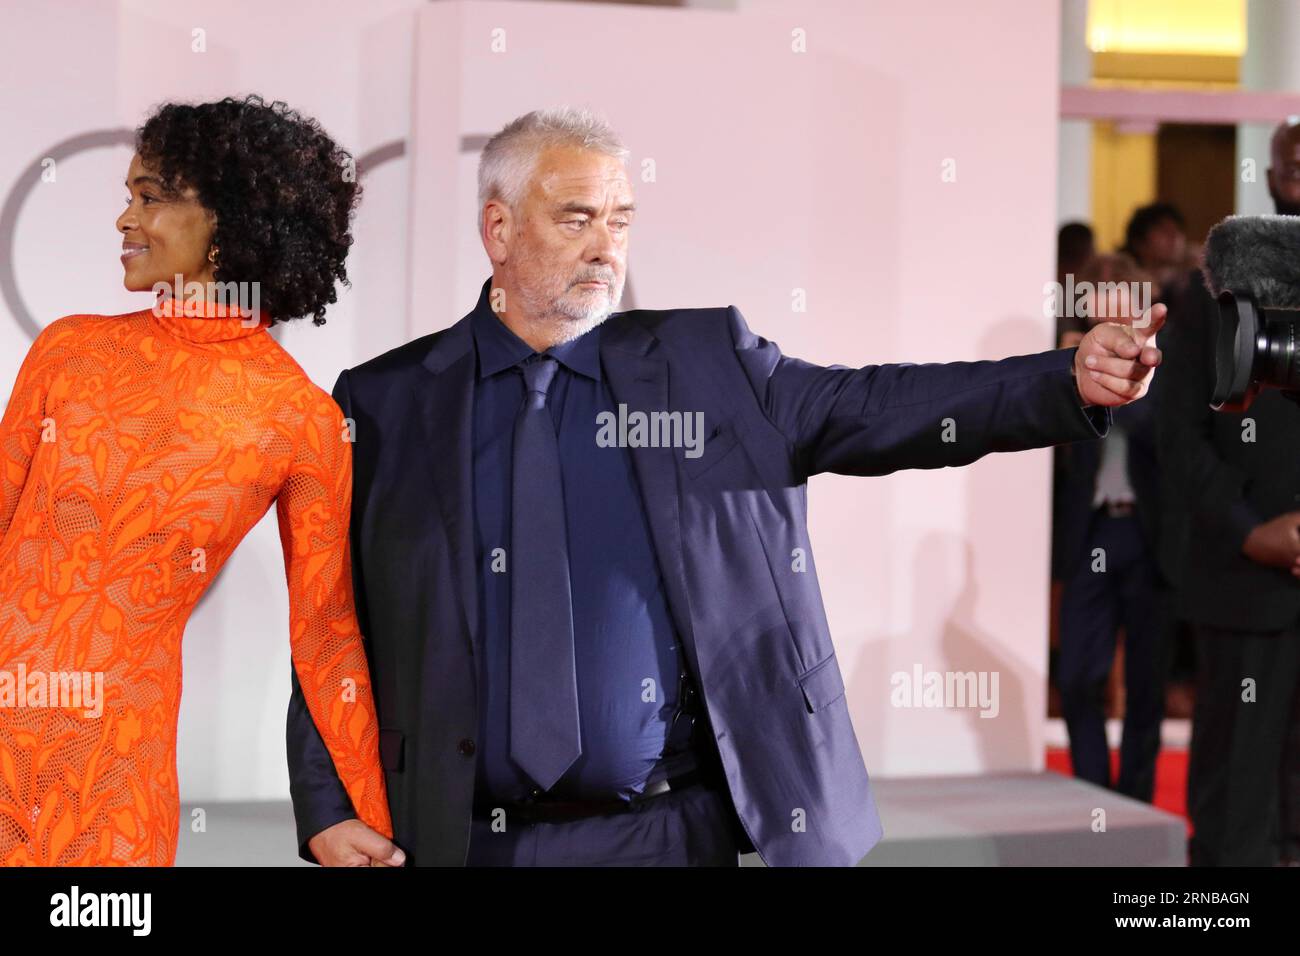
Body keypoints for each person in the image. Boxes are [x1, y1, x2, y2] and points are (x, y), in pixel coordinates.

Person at [288, 107, 1163, 867]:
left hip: (668, 834)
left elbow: (881, 403)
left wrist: (1064, 379)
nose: (606, 247)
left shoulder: (711, 367)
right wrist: (325, 803)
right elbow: (329, 614)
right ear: (499, 229)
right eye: (577, 218)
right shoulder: (389, 401)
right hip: (465, 839)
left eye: (621, 221)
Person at [0, 95, 396, 866]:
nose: (123, 219)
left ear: (230, 221)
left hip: (111, 778)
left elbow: (325, 632)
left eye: (150, 196)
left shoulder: (300, 420)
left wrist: (367, 815)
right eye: (128, 195)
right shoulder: (68, 351)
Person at [1155, 118, 1300, 867]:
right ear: (1274, 180)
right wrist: (1250, 529)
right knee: (1235, 804)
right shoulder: (1210, 302)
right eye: (1298, 170)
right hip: (1243, 585)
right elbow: (1175, 439)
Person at [1053, 253, 1168, 803]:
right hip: (1090, 532)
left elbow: (1164, 434)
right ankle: (1094, 799)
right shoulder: (1068, 363)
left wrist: (1129, 375)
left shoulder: (1166, 364)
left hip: (1152, 536)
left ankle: (1138, 806)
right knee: (1077, 675)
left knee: (1148, 686)